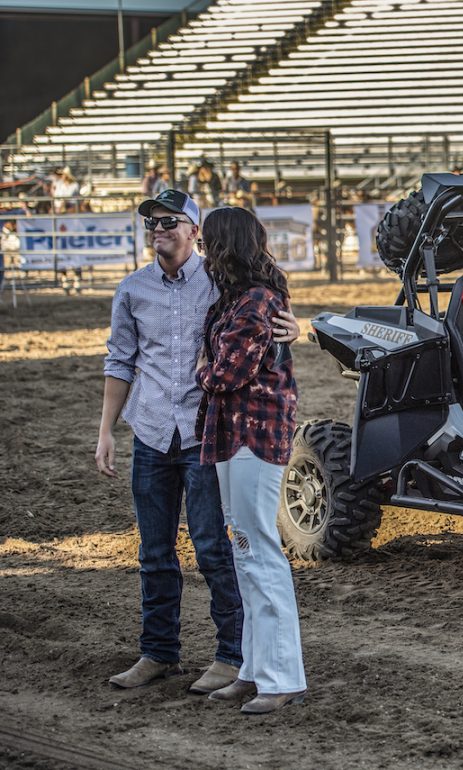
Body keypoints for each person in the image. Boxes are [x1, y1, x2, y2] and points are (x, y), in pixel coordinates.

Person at [96, 189, 299, 693]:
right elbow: (120, 360)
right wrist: (105, 430)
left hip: (206, 434)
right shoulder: (133, 289)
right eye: (151, 223)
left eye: (168, 221)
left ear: (194, 230)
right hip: (151, 431)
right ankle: (158, 652)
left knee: (214, 548)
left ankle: (232, 656)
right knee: (155, 552)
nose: (157, 229)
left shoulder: (223, 280)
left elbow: (267, 309)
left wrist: (294, 329)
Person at [196, 206, 306, 714]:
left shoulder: (253, 301)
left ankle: (280, 675)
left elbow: (225, 374)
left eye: (209, 242)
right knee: (246, 552)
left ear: (225, 246)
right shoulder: (245, 299)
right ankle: (256, 669)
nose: (202, 251)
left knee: (257, 551)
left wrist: (203, 369)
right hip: (238, 437)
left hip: (252, 438)